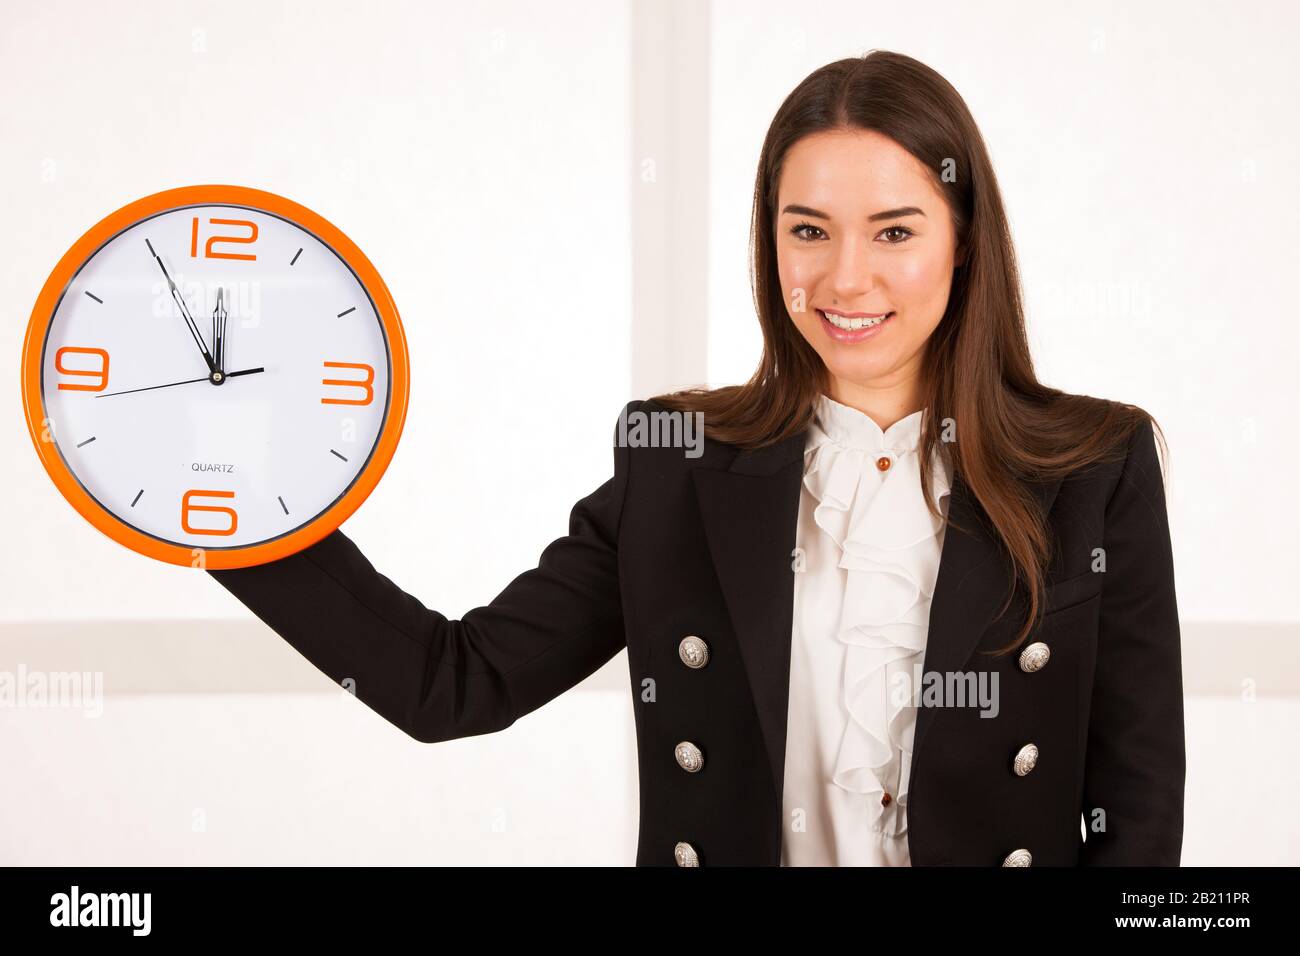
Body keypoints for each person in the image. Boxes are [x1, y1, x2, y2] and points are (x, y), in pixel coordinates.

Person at [209, 49, 1185, 867]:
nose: (846, 277)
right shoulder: (675, 459)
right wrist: (223, 511)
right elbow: (453, 682)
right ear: (770, 241)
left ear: (963, 239)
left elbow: (1135, 810)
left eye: (895, 230)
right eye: (808, 230)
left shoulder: (1095, 464)